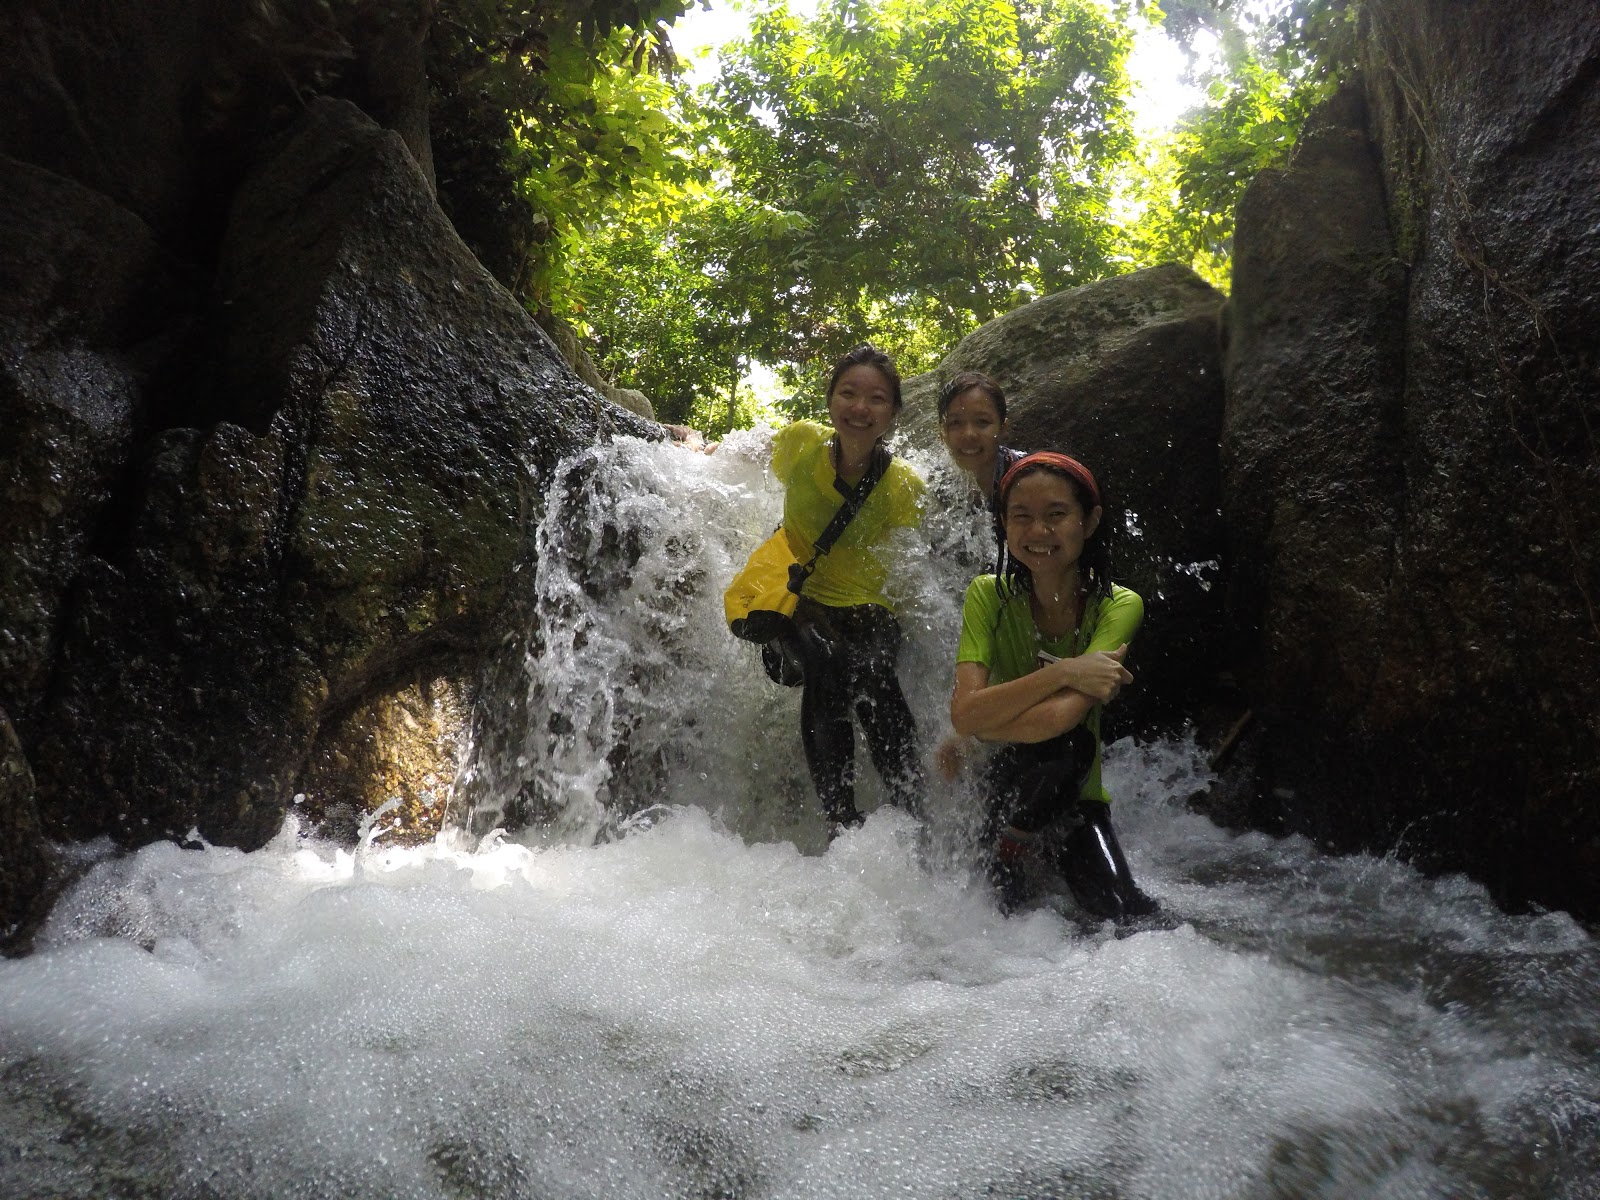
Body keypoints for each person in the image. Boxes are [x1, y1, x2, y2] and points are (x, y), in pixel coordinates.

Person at [945, 451, 1157, 919]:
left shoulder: (1118, 606)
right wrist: (1064, 671)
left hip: (1076, 794)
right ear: (1003, 523)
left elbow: (1060, 719)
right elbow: (962, 716)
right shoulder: (988, 594)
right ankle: (1010, 849)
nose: (1038, 532)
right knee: (1000, 920)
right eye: (1021, 517)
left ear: (1091, 520)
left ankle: (1020, 849)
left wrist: (982, 723)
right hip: (1000, 785)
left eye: (1057, 515)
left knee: (1127, 918)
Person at [754, 345, 928, 834]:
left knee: (875, 669)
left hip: (869, 605)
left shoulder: (904, 485)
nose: (859, 408)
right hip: (798, 597)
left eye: (876, 399)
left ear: (892, 413)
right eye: (847, 393)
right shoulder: (800, 444)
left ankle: (914, 816)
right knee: (824, 656)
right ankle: (841, 821)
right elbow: (743, 455)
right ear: (829, 400)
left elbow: (909, 562)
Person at [936, 372, 1025, 573]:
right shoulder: (931, 486)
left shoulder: (1026, 476)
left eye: (982, 422)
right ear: (942, 432)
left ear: (1003, 428)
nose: (969, 434)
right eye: (956, 423)